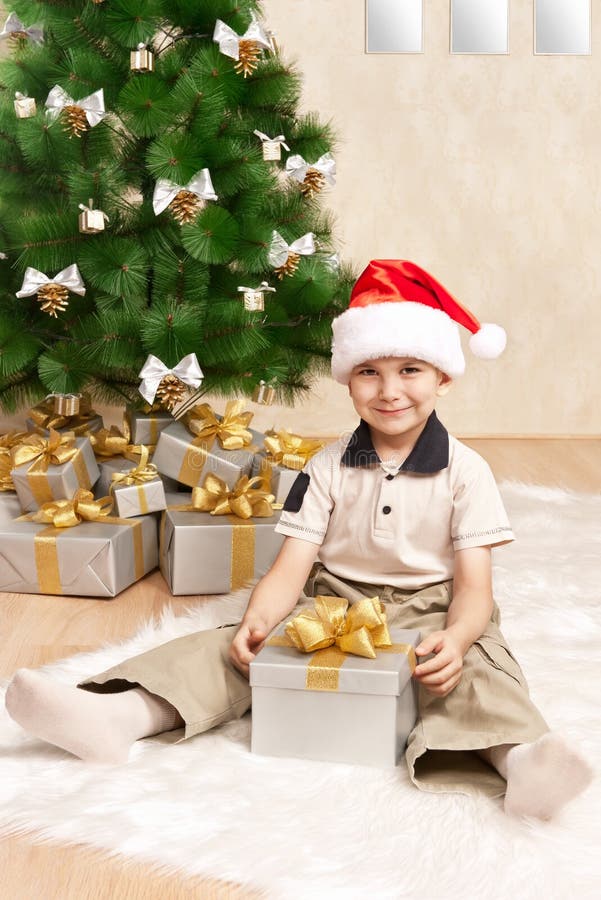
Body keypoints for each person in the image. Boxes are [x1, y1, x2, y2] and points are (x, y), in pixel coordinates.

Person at [5, 259, 592, 821]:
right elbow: (290, 568)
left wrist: (459, 639)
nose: (389, 390)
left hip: (435, 605)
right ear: (348, 380)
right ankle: (121, 716)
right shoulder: (328, 466)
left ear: (443, 378)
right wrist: (257, 621)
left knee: (476, 674)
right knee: (234, 652)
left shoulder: (466, 471)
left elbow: (475, 589)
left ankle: (519, 763)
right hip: (334, 603)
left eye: (410, 370)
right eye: (369, 371)